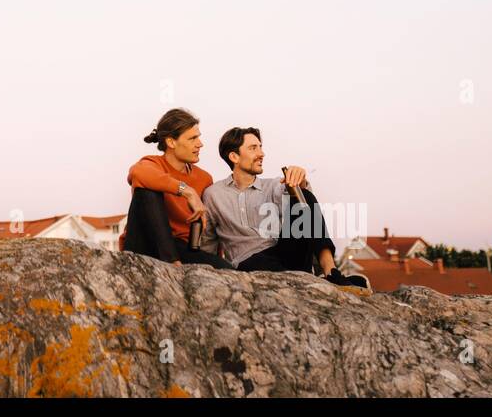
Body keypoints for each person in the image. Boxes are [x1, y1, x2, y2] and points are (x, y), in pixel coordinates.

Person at [199, 125, 371, 294]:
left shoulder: (273, 185)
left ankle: (331, 272)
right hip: (247, 263)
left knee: (303, 196)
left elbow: (306, 211)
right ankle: (319, 282)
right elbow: (207, 245)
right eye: (253, 148)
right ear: (234, 156)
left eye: (260, 147)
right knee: (259, 264)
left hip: (285, 254)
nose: (261, 154)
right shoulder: (213, 195)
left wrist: (299, 180)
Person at [119, 108, 235, 269]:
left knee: (227, 269)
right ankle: (171, 262)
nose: (200, 144)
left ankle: (174, 260)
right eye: (192, 138)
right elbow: (137, 173)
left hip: (181, 247)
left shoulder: (204, 178)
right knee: (146, 190)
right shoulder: (152, 164)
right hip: (144, 244)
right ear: (171, 142)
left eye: (198, 137)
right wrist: (187, 191)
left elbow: (210, 225)